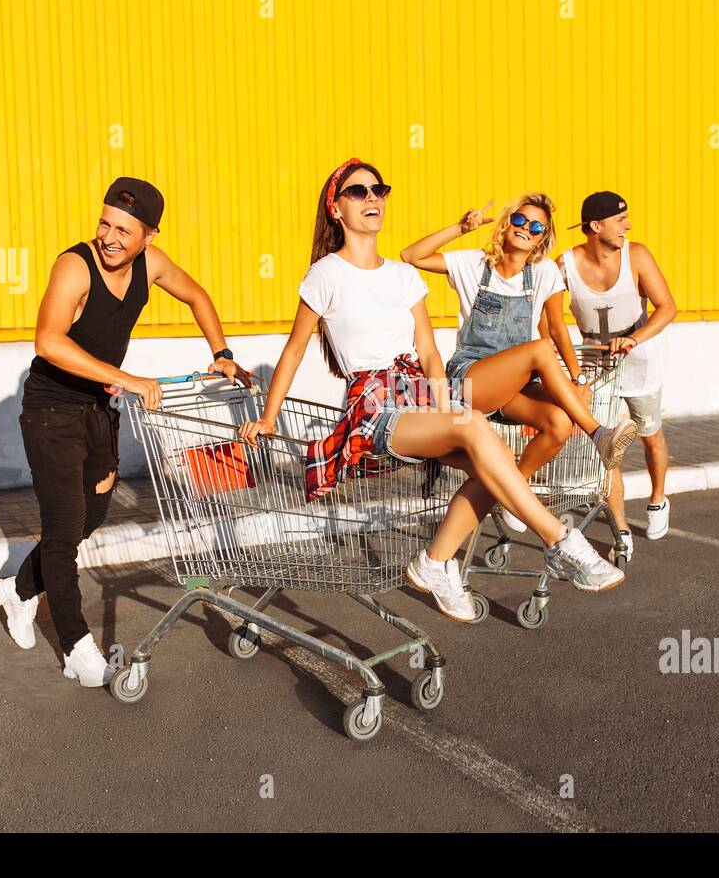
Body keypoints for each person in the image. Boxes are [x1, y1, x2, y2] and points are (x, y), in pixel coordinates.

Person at [238, 159, 625, 622]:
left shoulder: (403, 278)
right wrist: (267, 416)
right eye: (359, 192)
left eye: (378, 190)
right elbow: (295, 350)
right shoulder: (326, 274)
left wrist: (446, 406)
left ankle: (434, 563)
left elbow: (428, 351)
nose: (373, 199)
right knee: (479, 430)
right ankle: (561, 542)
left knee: (490, 466)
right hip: (376, 406)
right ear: (336, 209)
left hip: (420, 396)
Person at [0, 177, 250, 686]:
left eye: (124, 230)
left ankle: (17, 588)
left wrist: (222, 354)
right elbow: (48, 341)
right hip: (52, 412)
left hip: (98, 411)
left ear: (149, 236)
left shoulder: (152, 266)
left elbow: (197, 296)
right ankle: (76, 647)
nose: (110, 237)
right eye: (104, 223)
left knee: (92, 517)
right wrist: (125, 378)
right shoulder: (74, 266)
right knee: (64, 528)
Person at [398, 194, 639, 540]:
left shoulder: (542, 273)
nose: (527, 229)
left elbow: (557, 328)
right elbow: (411, 256)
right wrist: (462, 227)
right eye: (520, 221)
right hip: (470, 380)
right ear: (507, 223)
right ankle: (598, 434)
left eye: (537, 226)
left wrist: (579, 379)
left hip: (513, 386)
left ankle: (513, 491)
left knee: (558, 422)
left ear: (542, 239)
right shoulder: (474, 265)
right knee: (540, 351)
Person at [558, 191, 677, 551]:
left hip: (638, 357)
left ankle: (657, 499)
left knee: (650, 434)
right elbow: (541, 309)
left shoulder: (636, 254)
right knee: (606, 445)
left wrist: (635, 339)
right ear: (595, 226)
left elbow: (667, 307)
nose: (628, 224)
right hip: (594, 361)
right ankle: (621, 528)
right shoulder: (564, 264)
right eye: (619, 219)